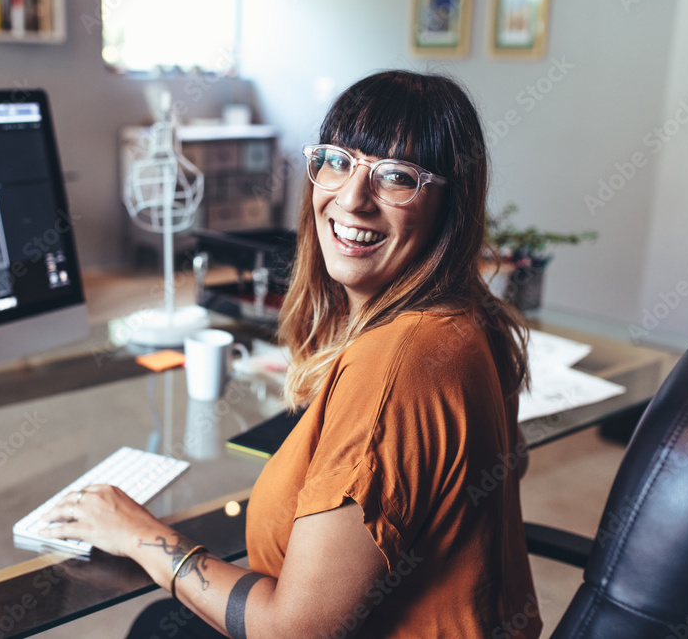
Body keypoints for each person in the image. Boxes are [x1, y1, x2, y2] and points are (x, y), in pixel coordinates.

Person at [40, 70, 541, 638]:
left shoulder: (395, 363)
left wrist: (142, 537)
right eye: (337, 160)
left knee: (159, 625)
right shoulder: (470, 319)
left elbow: (293, 630)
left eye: (397, 176)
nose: (353, 198)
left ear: (450, 204)